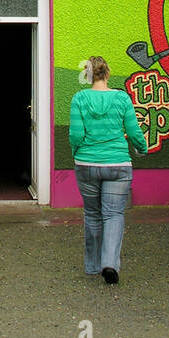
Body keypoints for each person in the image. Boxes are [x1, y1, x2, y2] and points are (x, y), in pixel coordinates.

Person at [69, 56, 147, 284]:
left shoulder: (79, 98)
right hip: (118, 165)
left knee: (92, 214)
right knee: (113, 215)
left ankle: (92, 266)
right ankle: (109, 264)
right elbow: (133, 132)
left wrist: (77, 153)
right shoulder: (122, 98)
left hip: (87, 164)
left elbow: (75, 134)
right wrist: (141, 149)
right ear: (108, 74)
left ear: (87, 75)